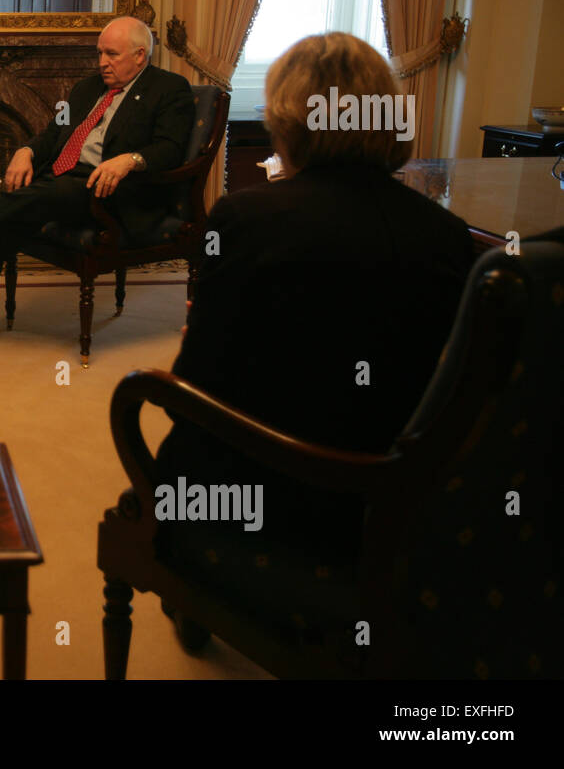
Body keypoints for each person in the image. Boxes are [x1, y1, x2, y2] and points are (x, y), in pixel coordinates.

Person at [155, 31, 475, 566]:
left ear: (287, 120)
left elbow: (196, 385)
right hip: (397, 499)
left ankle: (194, 575)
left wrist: (210, 327)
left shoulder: (245, 219)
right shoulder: (450, 234)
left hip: (263, 492)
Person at [0, 15, 195, 358]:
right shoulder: (86, 88)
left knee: (33, 198)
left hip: (113, 191)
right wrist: (26, 150)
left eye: (112, 54)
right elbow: (52, 135)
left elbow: (170, 148)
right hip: (60, 182)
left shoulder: (169, 89)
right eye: (100, 53)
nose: (102, 63)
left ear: (140, 55)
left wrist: (130, 160)